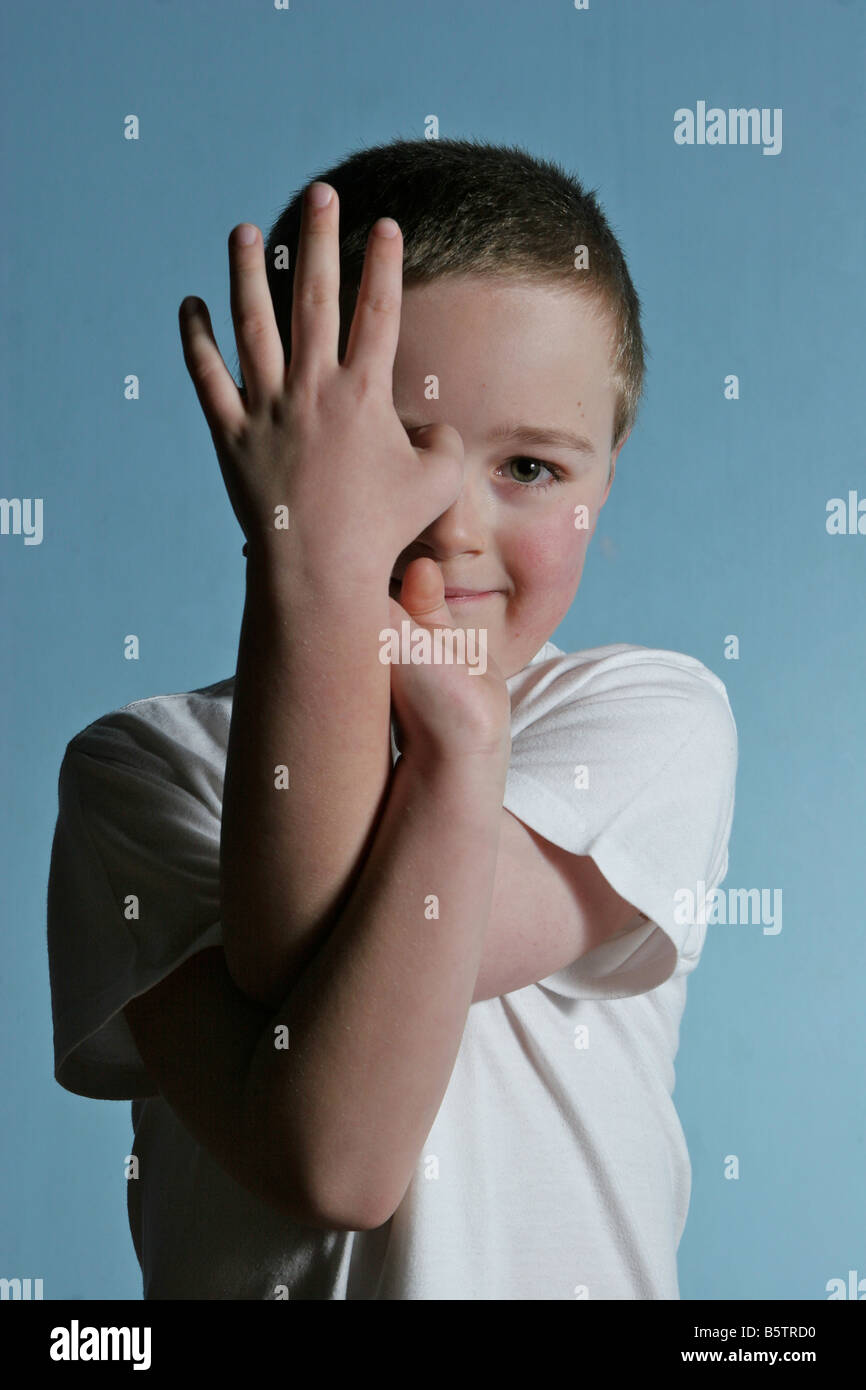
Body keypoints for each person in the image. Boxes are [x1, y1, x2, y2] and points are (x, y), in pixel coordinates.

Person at [46, 136, 737, 1300]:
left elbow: (330, 980)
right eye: (395, 449)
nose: (453, 524)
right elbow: (336, 1156)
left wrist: (463, 747)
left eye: (529, 467)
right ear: (270, 466)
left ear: (606, 475)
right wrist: (318, 578)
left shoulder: (644, 719)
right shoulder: (148, 770)